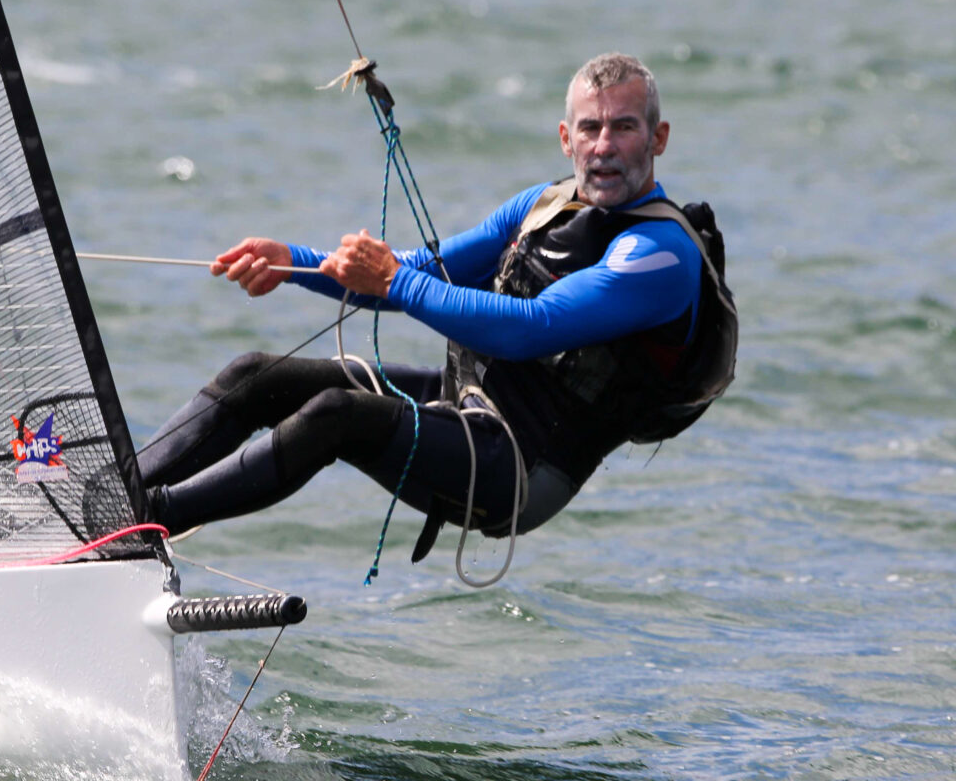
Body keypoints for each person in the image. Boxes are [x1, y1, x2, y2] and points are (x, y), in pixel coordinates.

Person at [136, 52, 736, 554]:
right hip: (463, 403)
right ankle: (120, 491)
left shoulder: (659, 253)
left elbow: (530, 328)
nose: (604, 146)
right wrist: (293, 262)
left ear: (657, 138)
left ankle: (141, 521)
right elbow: (424, 270)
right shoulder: (544, 204)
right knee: (254, 376)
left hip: (521, 468)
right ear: (564, 138)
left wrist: (393, 279)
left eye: (624, 127)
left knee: (335, 415)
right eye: (589, 128)